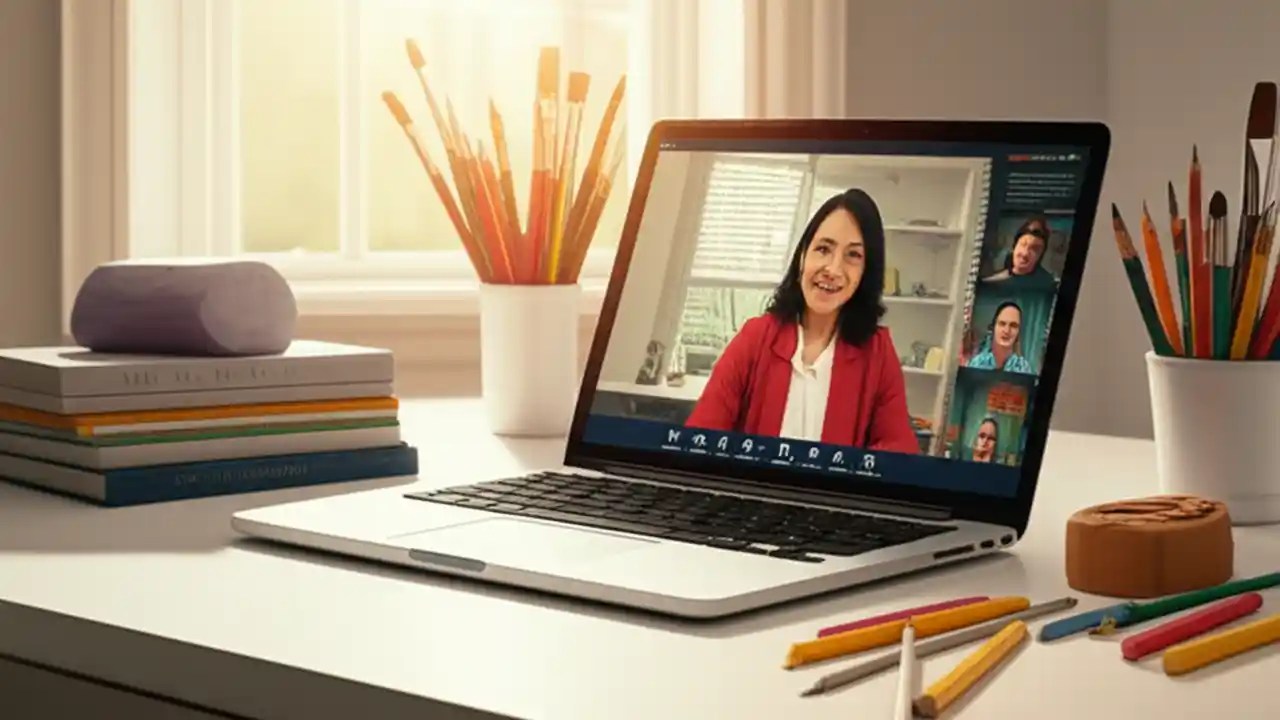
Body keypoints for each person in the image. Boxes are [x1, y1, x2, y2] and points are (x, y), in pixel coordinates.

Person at [684, 188, 919, 454]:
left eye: (853, 255)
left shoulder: (878, 352)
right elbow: (701, 437)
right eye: (823, 249)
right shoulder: (755, 337)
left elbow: (898, 452)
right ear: (802, 257)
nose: (832, 269)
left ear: (866, 272)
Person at [982, 216, 1058, 289]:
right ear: (1014, 247)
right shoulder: (993, 283)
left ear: (1041, 255)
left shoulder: (1047, 286)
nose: (1025, 253)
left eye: (1034, 249)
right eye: (1023, 244)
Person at [966, 301, 1035, 374]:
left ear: (1019, 331)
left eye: (1013, 325)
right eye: (1002, 324)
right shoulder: (976, 364)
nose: (1007, 331)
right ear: (993, 327)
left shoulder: (1024, 368)